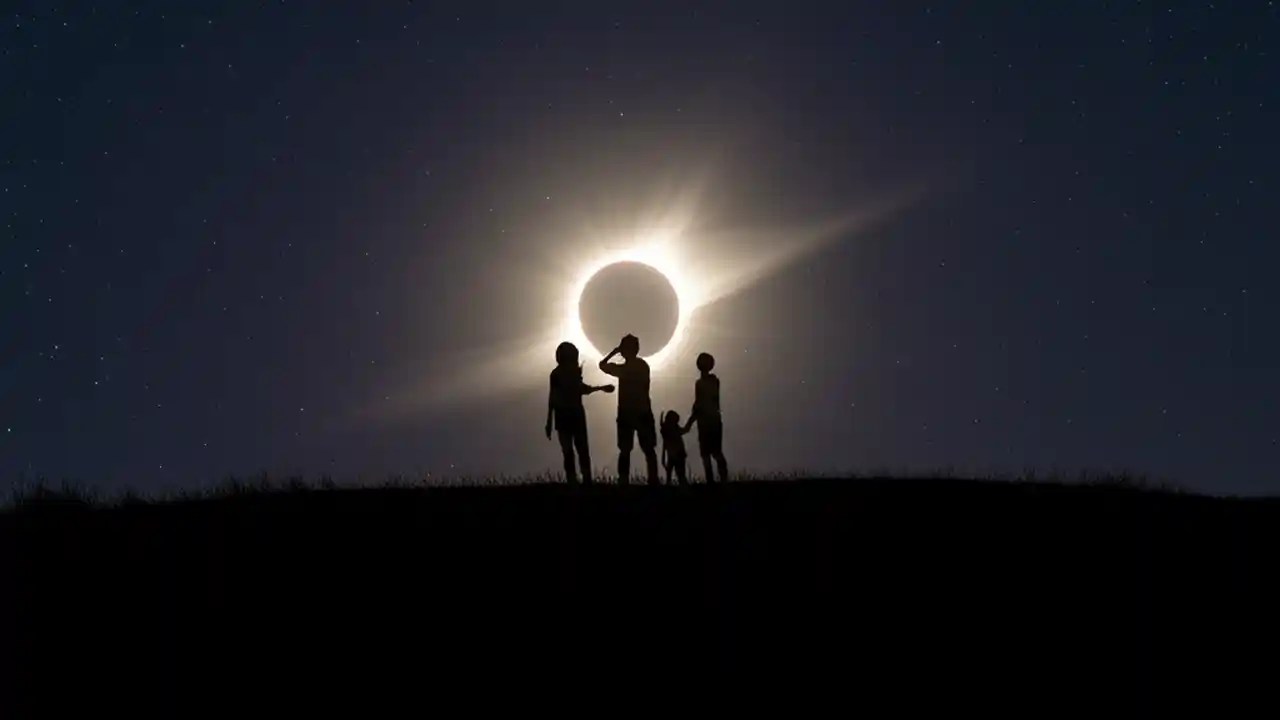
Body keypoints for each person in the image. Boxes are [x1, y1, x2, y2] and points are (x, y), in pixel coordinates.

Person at [545, 341, 614, 484]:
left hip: (567, 417)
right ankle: (582, 479)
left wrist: (549, 421)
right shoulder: (562, 374)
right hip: (572, 416)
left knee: (572, 451)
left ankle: (577, 479)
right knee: (577, 450)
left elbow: (554, 398)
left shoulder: (558, 374)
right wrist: (600, 388)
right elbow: (576, 391)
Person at [598, 334, 659, 485]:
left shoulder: (625, 369)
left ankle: (625, 481)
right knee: (647, 449)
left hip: (630, 412)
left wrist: (614, 352)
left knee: (627, 450)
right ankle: (652, 480)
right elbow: (602, 366)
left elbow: (602, 365)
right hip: (641, 411)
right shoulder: (642, 366)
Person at [683, 352, 729, 483]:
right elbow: (698, 404)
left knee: (713, 452)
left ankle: (721, 480)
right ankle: (713, 481)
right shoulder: (704, 382)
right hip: (707, 422)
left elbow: (700, 404)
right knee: (707, 453)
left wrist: (689, 423)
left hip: (711, 421)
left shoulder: (711, 382)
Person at [660, 410, 690, 486]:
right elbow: (685, 430)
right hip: (677, 454)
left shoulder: (666, 429)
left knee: (673, 474)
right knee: (679, 475)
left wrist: (663, 458)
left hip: (674, 455)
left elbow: (665, 445)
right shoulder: (673, 429)